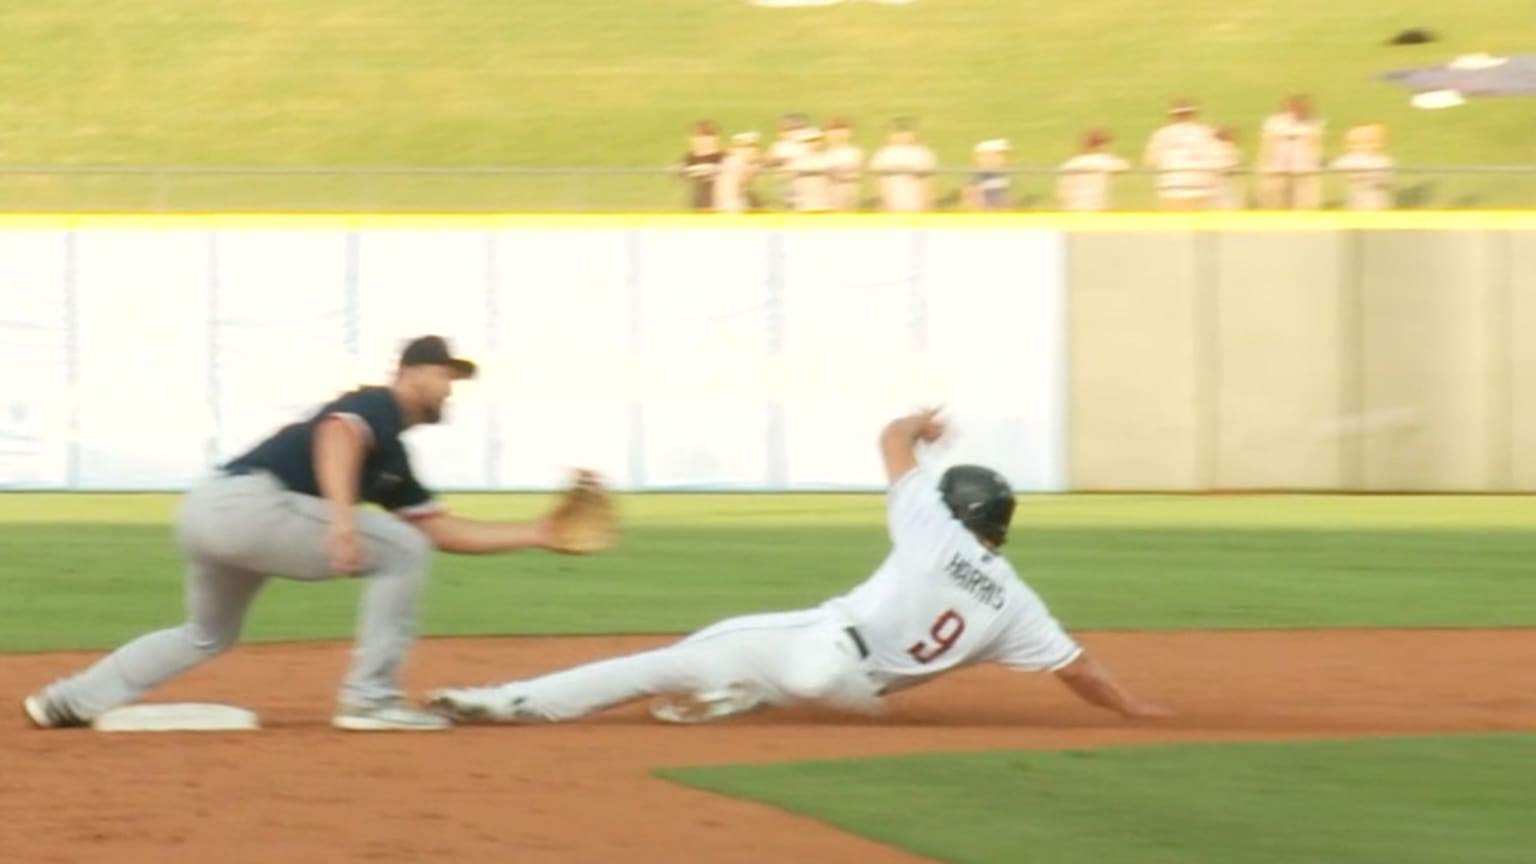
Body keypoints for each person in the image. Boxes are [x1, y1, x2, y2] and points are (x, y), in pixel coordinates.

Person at [424, 408, 1173, 726]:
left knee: (661, 664)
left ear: (958, 509)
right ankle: (737, 696)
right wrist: (1133, 710)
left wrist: (921, 423)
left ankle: (510, 701)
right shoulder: (1017, 602)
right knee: (753, 677)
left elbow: (892, 438)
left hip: (824, 648)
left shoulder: (933, 528)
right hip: (862, 698)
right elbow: (1078, 670)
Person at [22, 336, 616, 733]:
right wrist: (341, 521)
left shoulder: (392, 460)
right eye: (444, 375)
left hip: (212, 510)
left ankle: (68, 700)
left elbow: (441, 530)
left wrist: (538, 532)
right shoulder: (376, 405)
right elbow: (338, 433)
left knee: (207, 634)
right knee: (400, 549)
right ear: (409, 372)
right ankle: (370, 698)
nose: (449, 389)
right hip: (246, 505)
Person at [1143, 98, 1220, 210]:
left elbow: (1150, 161)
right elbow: (1217, 161)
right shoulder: (1207, 132)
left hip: (1171, 188)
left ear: (1173, 116)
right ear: (1193, 114)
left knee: (1174, 220)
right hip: (1202, 187)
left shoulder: (1161, 134)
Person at [1256, 94, 1325, 209]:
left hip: (1304, 173)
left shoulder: (1312, 124)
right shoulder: (1274, 123)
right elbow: (1267, 147)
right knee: (1274, 207)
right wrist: (1265, 169)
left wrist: (1316, 164)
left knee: (1305, 207)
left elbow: (1315, 147)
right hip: (1276, 174)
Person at [869, 117, 938, 212]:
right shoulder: (883, 153)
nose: (903, 136)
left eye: (906, 132)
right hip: (891, 203)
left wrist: (929, 201)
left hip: (917, 204)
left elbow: (928, 180)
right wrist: (881, 200)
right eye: (899, 133)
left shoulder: (922, 153)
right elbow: (878, 180)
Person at [1055, 130, 1130, 212]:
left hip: (1071, 209)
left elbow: (1061, 191)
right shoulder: (1103, 160)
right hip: (1095, 208)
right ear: (1100, 146)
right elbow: (1125, 166)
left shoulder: (1070, 163)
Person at [1330, 124, 1395, 211]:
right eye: (1352, 143)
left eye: (1369, 141)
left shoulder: (1383, 161)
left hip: (1378, 206)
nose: (1356, 147)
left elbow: (1386, 179)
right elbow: (1332, 166)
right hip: (1356, 206)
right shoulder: (1350, 159)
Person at [677, 121, 725, 211]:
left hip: (721, 204)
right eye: (699, 137)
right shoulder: (690, 158)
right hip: (699, 204)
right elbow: (678, 173)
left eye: (708, 136)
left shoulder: (723, 157)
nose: (704, 141)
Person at [964, 139, 1013, 210]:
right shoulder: (978, 177)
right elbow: (970, 198)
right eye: (998, 154)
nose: (1003, 158)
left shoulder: (1002, 174)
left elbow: (1005, 198)